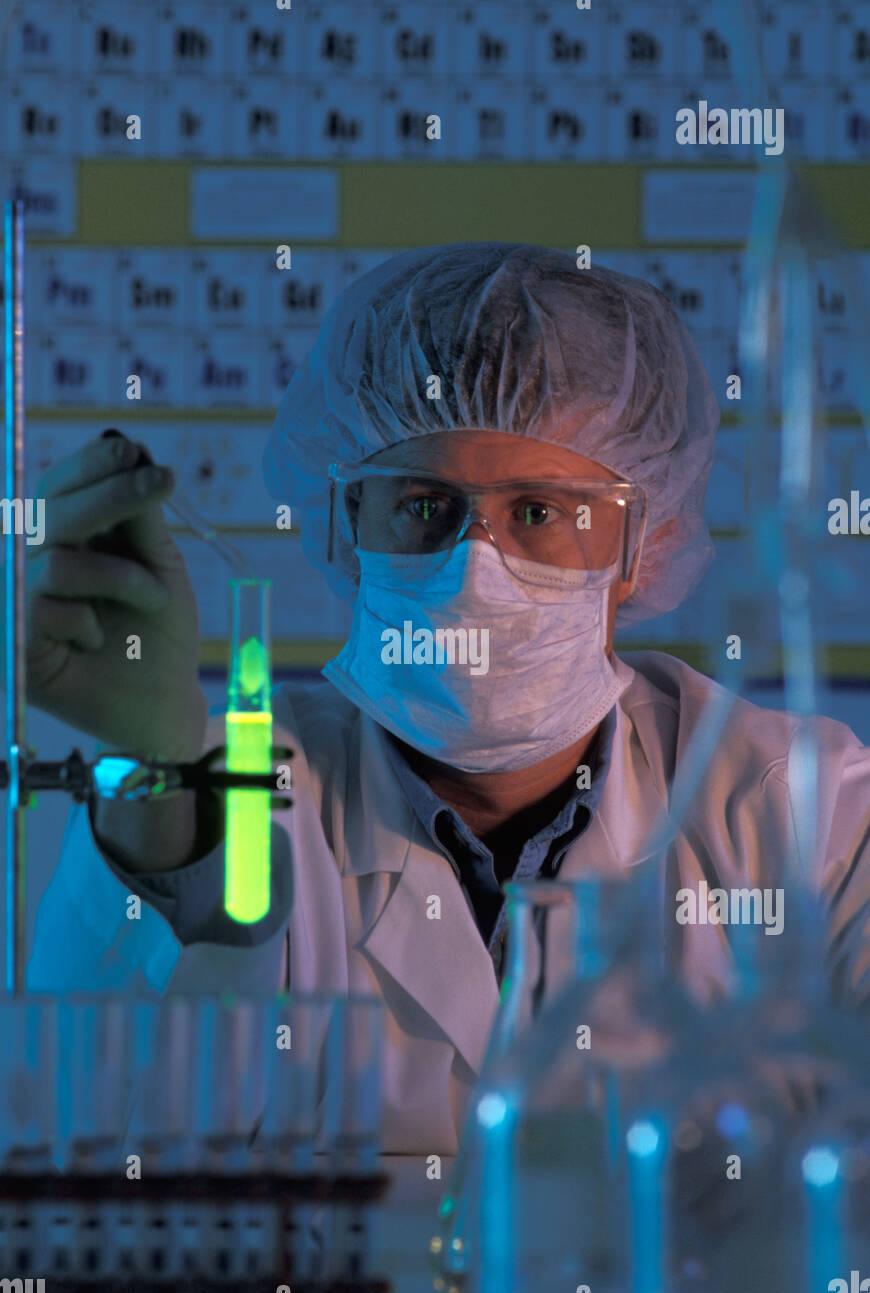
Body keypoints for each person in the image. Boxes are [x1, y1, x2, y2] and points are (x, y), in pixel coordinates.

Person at [27, 243, 870, 1155]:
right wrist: (152, 768)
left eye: (539, 511)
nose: (477, 566)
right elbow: (99, 1150)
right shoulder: (226, 796)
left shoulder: (800, 811)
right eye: (425, 504)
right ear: (346, 524)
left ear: (643, 544)